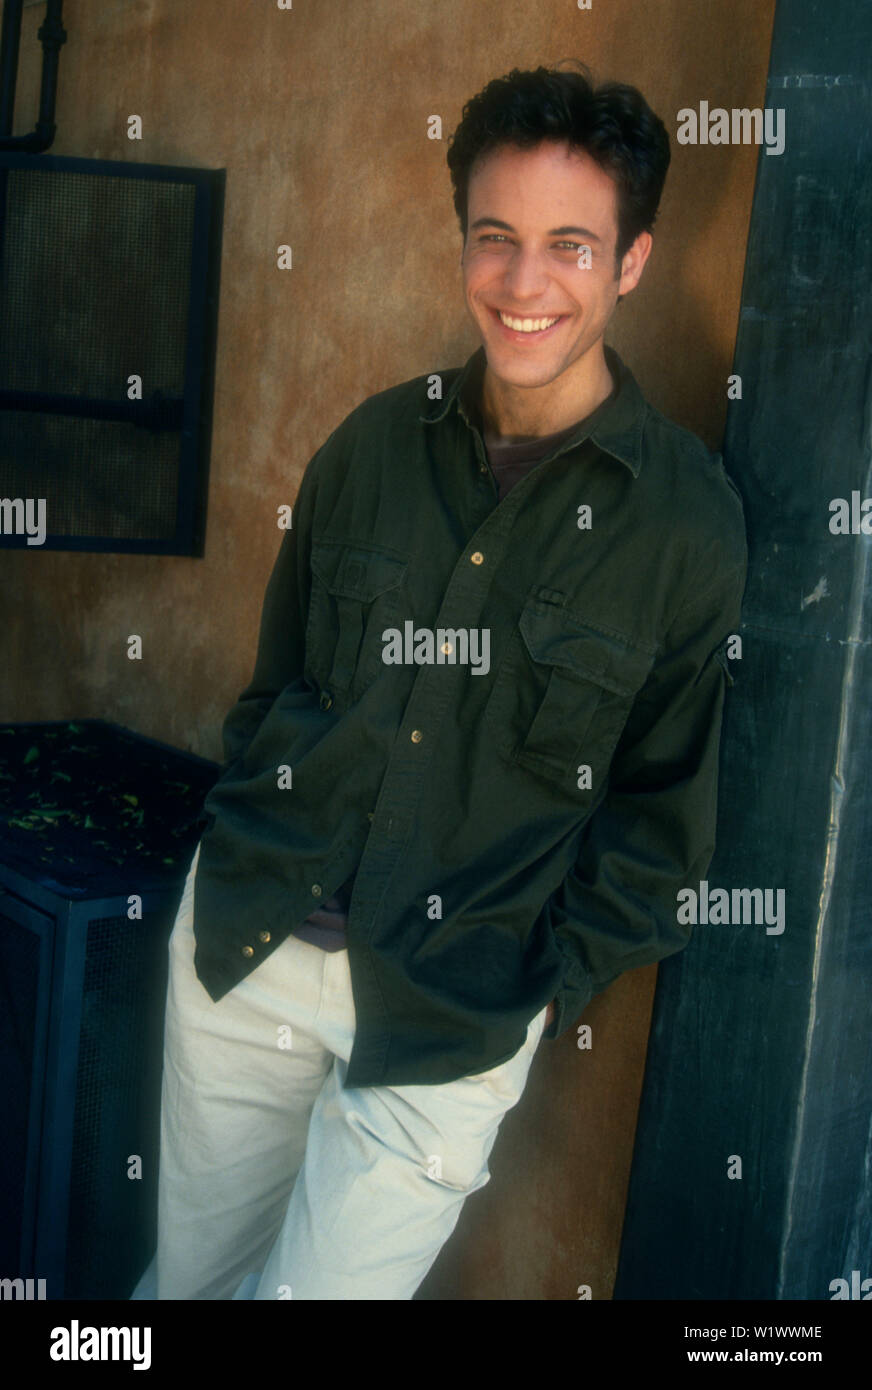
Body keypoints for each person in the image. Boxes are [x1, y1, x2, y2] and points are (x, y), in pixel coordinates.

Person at [131, 61, 747, 1301]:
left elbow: (655, 828)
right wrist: (250, 821)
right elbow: (276, 691)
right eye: (495, 238)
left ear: (630, 260)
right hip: (247, 953)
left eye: (570, 245)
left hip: (449, 1013)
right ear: (463, 240)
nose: (523, 285)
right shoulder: (372, 442)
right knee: (187, 1290)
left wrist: (524, 985)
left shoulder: (685, 526)